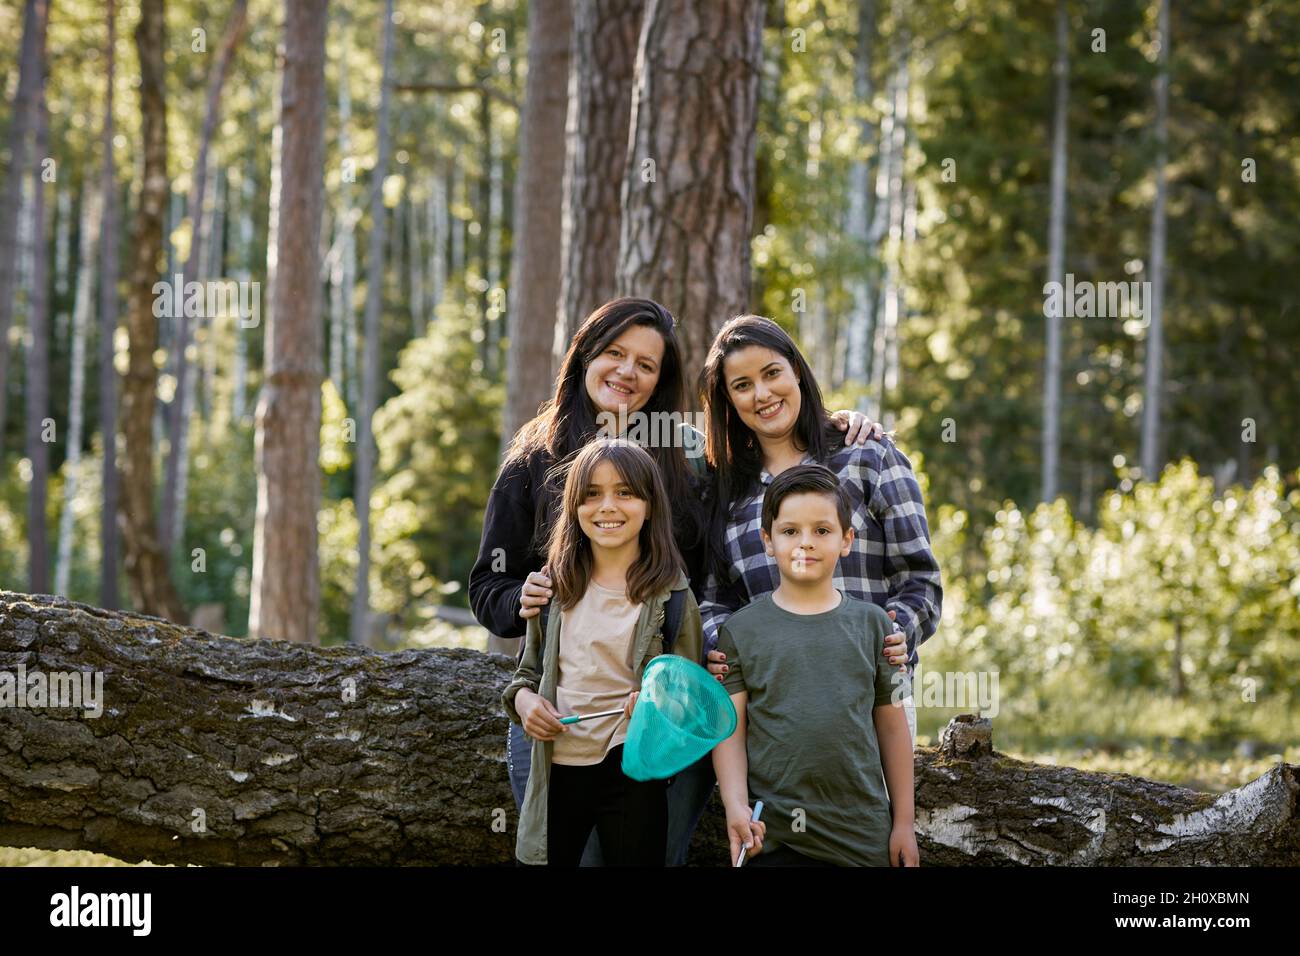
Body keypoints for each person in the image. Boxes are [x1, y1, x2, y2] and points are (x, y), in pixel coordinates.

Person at [469, 297, 884, 864]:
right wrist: (523, 597)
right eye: (614, 353)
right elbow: (487, 589)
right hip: (558, 719)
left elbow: (735, 527)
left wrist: (830, 428)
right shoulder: (533, 459)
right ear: (585, 355)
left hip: (663, 716)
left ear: (661, 381)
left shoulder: (686, 460)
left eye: (646, 364)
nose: (627, 372)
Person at [697, 315, 942, 747]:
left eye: (772, 373)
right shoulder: (725, 494)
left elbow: (919, 579)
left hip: (873, 699)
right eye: (742, 385)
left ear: (797, 371)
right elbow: (714, 601)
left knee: (879, 813)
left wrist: (892, 636)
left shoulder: (868, 457)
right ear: (728, 401)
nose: (762, 394)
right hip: (773, 709)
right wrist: (724, 649)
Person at [502, 439, 704, 866]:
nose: (607, 506)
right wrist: (525, 703)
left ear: (650, 505)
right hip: (556, 765)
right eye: (592, 494)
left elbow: (686, 699)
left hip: (631, 768)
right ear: (574, 507)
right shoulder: (553, 587)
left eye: (625, 492)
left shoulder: (675, 596)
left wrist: (657, 707)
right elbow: (525, 676)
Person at [712, 464, 919, 866]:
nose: (805, 543)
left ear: (846, 540)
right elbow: (729, 730)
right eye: (790, 531)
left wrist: (904, 823)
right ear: (768, 541)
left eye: (821, 531)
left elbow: (893, 727)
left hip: (861, 836)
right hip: (773, 838)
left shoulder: (875, 625)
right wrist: (734, 806)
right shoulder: (740, 631)